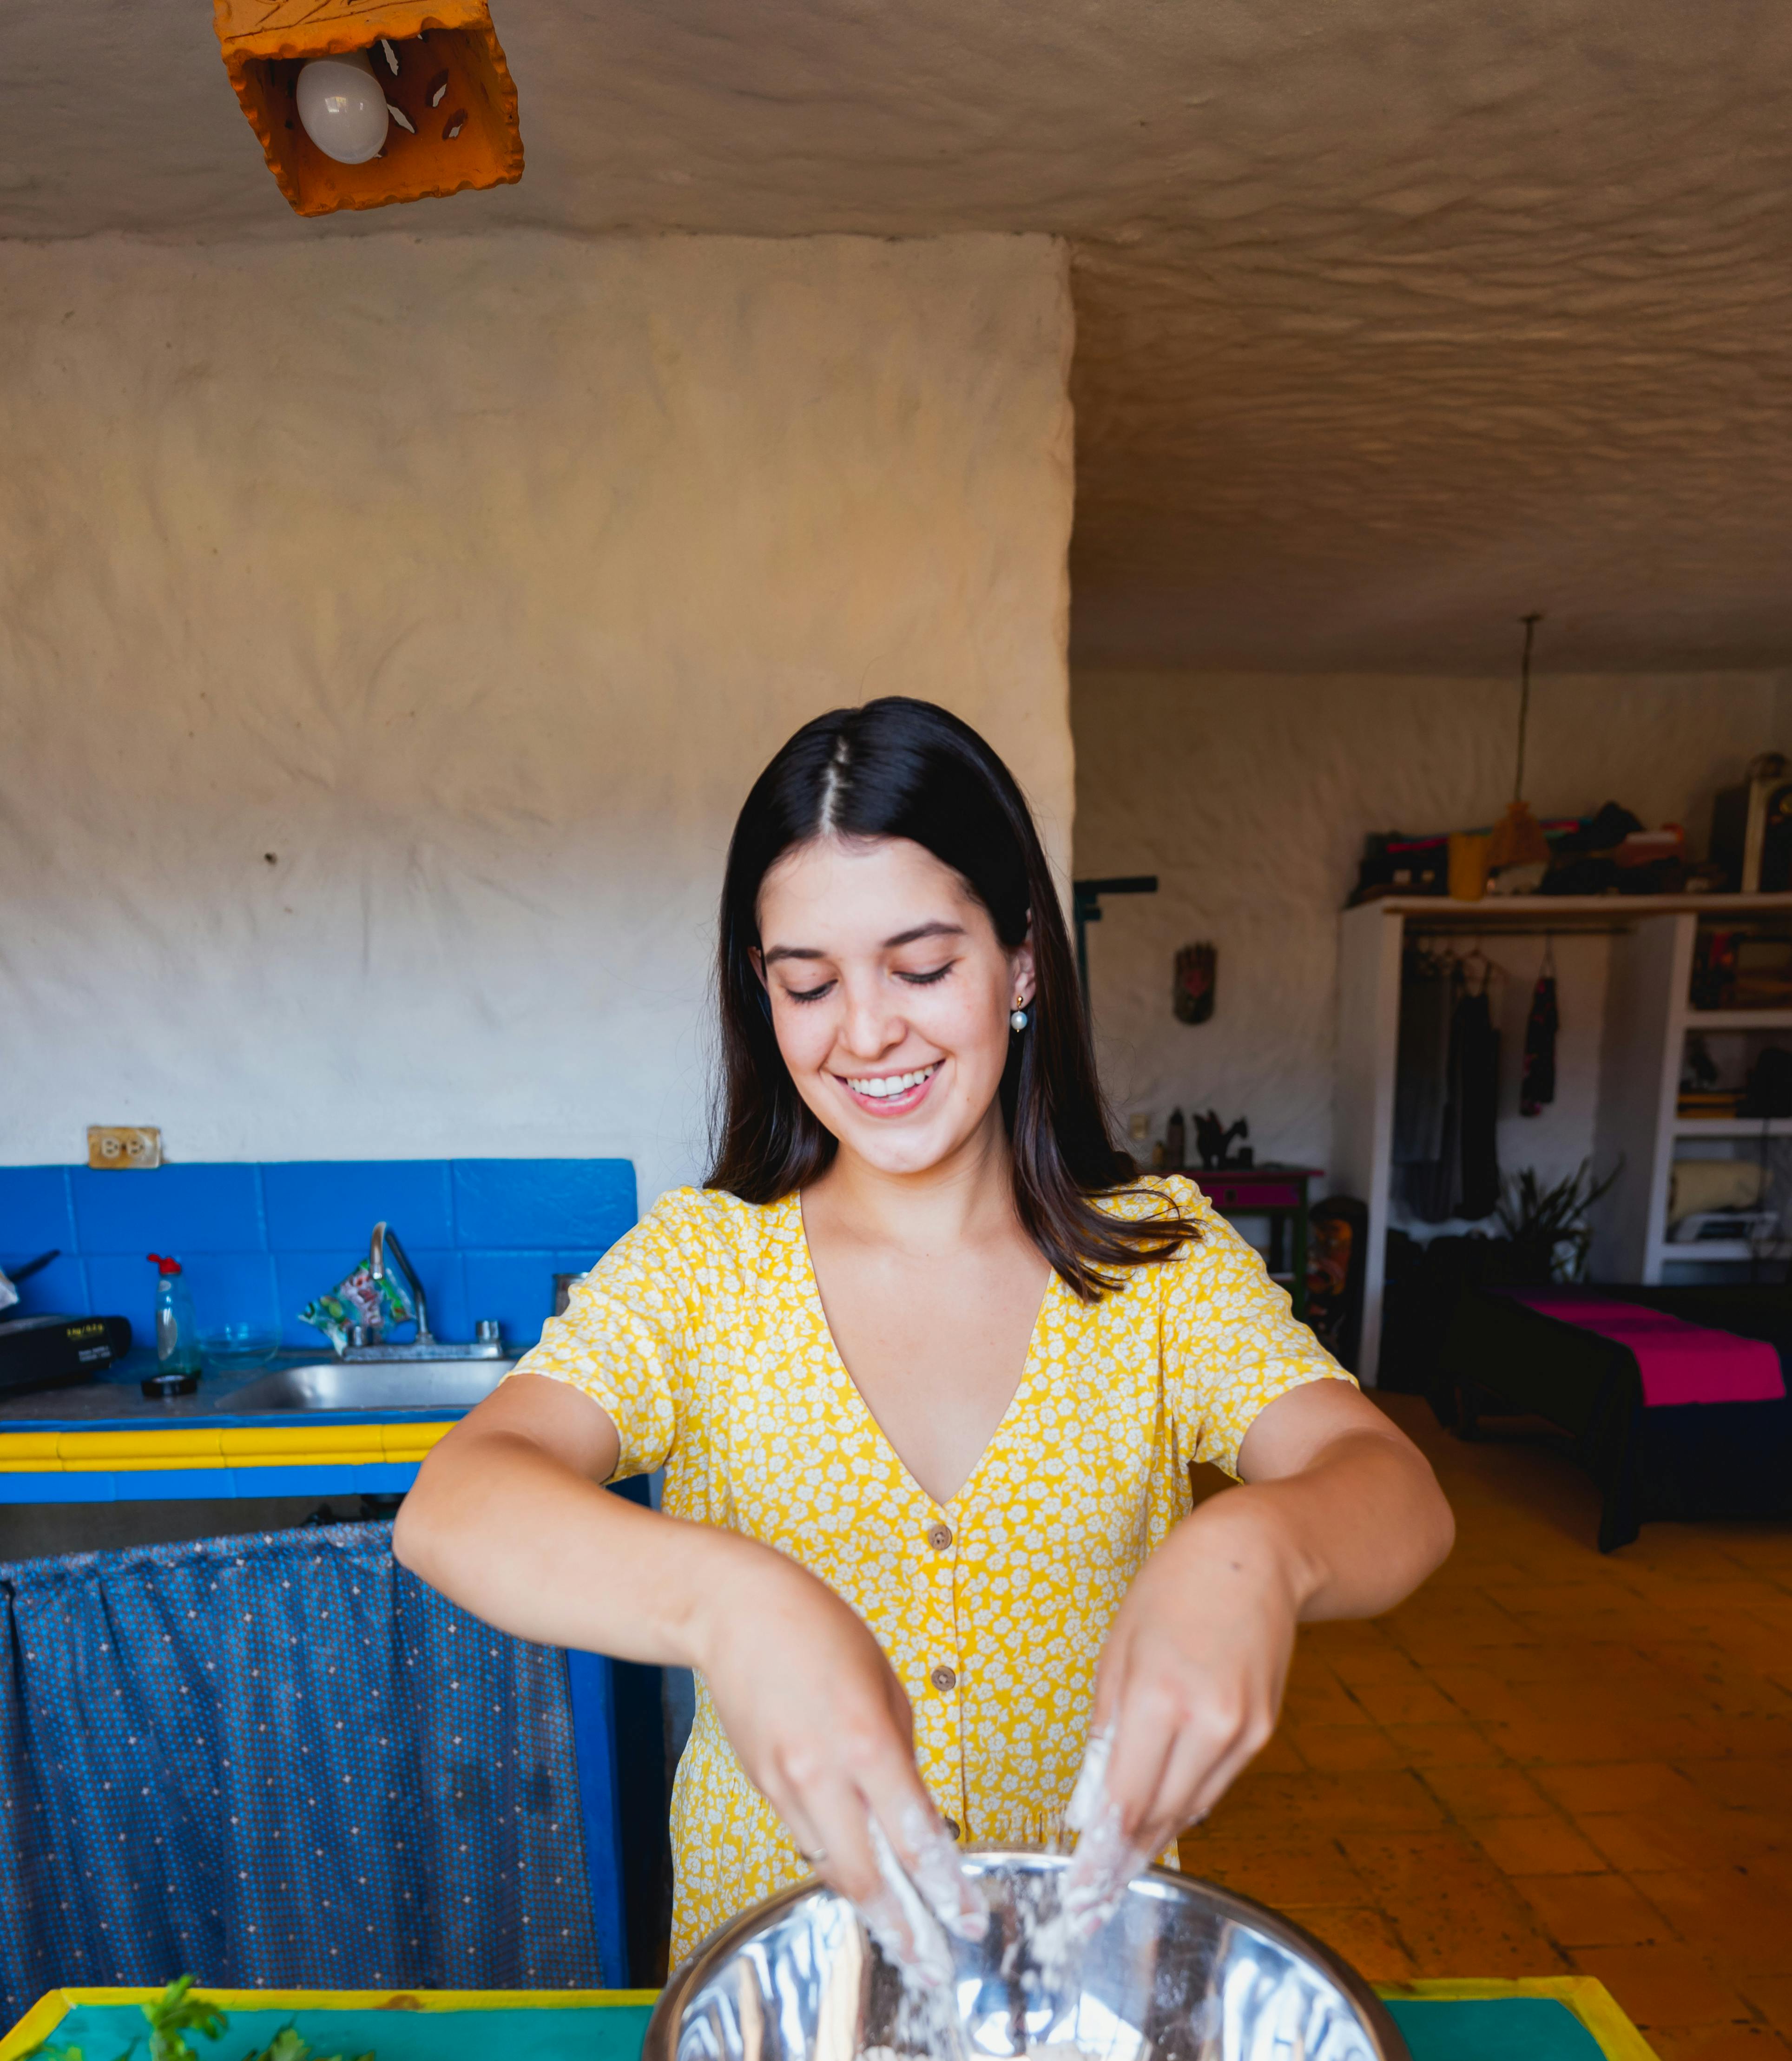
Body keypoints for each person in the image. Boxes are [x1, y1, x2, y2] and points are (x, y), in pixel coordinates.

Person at [395, 697, 1454, 1968]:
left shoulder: (1157, 1261)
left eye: (922, 967)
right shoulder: (701, 1268)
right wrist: (727, 1606)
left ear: (1020, 963)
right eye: (808, 983)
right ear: (763, 993)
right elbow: (455, 1503)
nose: (867, 1033)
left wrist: (1257, 1554)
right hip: (776, 1987)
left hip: (1083, 1984)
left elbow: (1396, 1494)